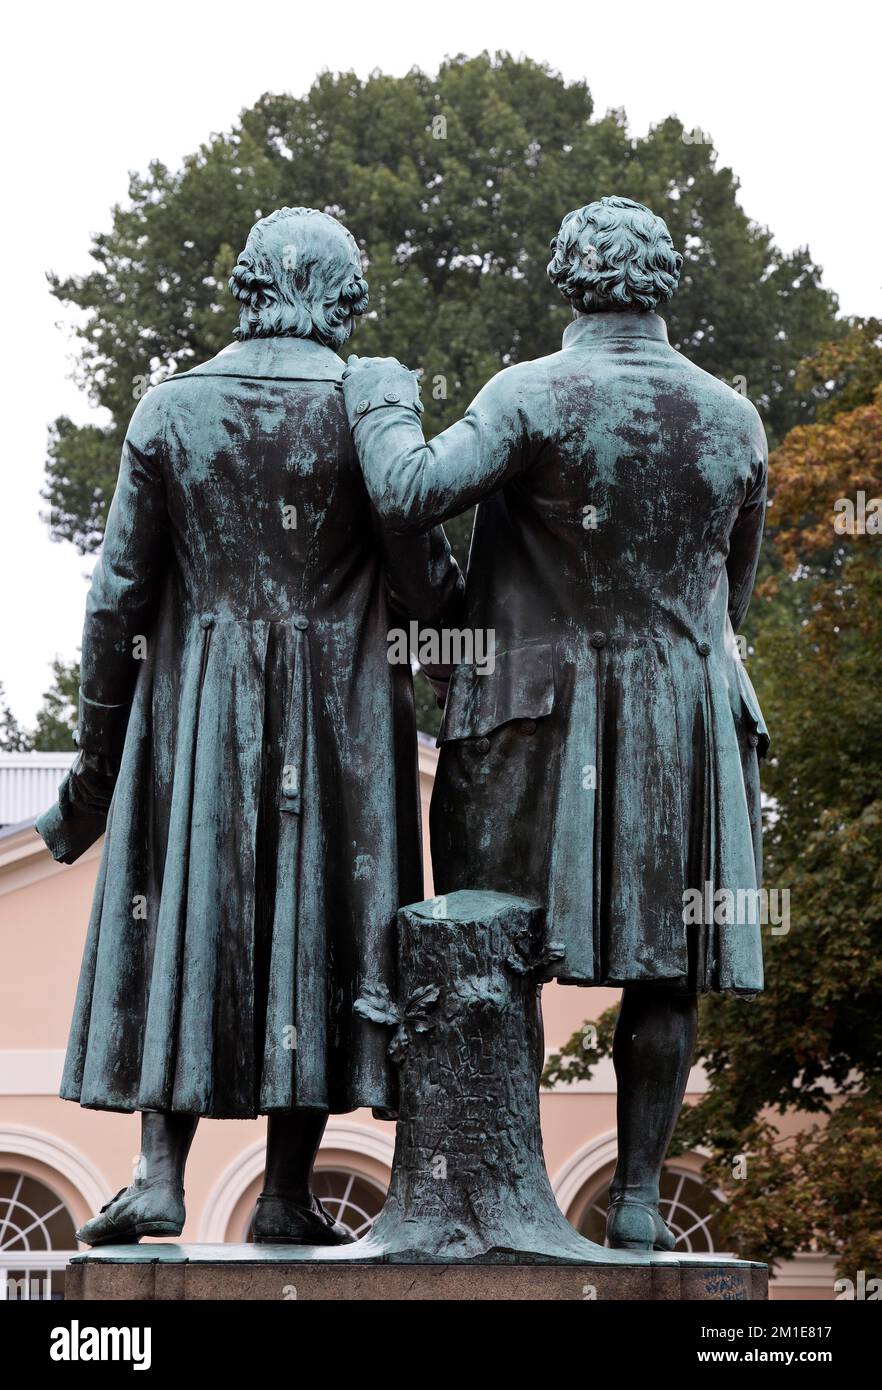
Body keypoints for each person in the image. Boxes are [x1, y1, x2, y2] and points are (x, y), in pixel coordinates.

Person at [342, 196, 769, 1251]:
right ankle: (634, 1198)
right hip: (685, 719)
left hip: (532, 719)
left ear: (571, 278)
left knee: (495, 951)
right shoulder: (735, 418)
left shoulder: (531, 392)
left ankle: (509, 1193)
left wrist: (383, 397)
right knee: (667, 969)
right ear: (663, 280)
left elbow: (406, 491)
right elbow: (735, 598)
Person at [37, 206, 462, 1247]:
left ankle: (160, 1175)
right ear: (344, 296)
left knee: (183, 911)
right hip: (344, 716)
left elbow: (114, 603)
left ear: (247, 287)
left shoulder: (169, 411)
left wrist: (95, 771)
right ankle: (284, 1187)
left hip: (197, 704)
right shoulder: (367, 411)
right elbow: (431, 592)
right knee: (323, 921)